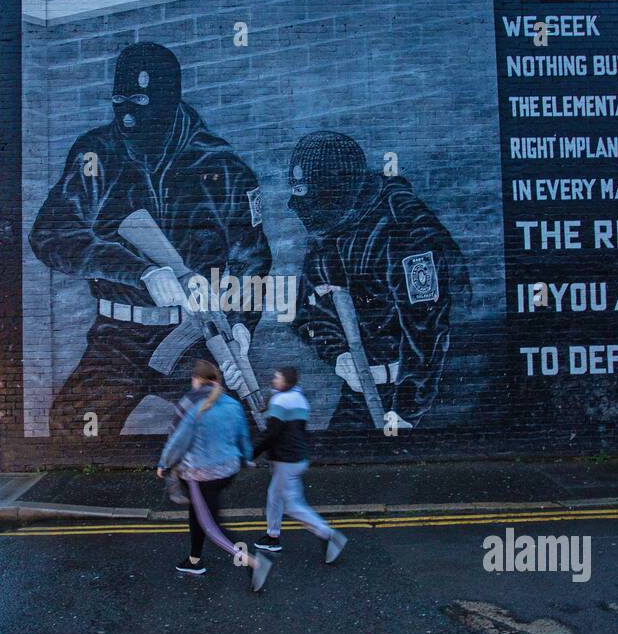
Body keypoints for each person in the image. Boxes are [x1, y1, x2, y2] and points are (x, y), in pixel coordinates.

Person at [29, 42, 271, 436]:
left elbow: (251, 257)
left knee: (242, 433)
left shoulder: (220, 165)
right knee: (69, 430)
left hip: (197, 333)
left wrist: (241, 324)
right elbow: (51, 234)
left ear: (168, 97)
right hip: (116, 337)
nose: (126, 114)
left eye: (139, 99)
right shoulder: (97, 154)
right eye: (119, 100)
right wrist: (140, 271)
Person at [288, 131, 471, 430]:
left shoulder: (404, 232)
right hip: (364, 392)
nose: (297, 207)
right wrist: (338, 354)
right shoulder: (332, 232)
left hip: (417, 399)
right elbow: (309, 305)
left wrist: (408, 409)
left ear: (334, 190)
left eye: (309, 193)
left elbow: (427, 328)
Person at [157, 360, 272, 592]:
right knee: (199, 513)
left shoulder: (194, 404)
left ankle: (253, 562)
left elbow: (178, 441)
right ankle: (194, 560)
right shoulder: (232, 403)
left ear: (197, 380)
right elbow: (243, 438)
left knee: (211, 526)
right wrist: (248, 458)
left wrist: (163, 464)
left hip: (200, 475)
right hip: (227, 471)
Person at [252, 366, 347, 562]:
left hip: (286, 460)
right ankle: (272, 536)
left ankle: (328, 534)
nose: (274, 379)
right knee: (275, 497)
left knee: (292, 504)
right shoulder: (299, 399)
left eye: (277, 376)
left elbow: (271, 433)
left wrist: (251, 453)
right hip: (295, 457)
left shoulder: (281, 400)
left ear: (286, 381)